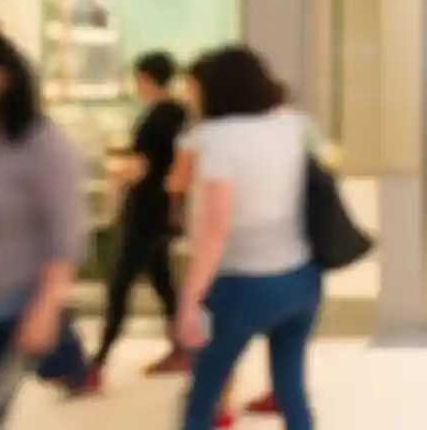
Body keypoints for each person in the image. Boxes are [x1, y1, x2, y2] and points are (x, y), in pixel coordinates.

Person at [178, 47, 321, 430]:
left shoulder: (216, 138)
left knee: (202, 398)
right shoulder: (293, 124)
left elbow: (214, 230)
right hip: (300, 278)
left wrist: (190, 301)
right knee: (291, 390)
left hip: (242, 284)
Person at [0, 25, 85, 427]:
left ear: (2, 74)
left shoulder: (40, 145)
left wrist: (45, 309)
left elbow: (65, 237)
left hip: (9, 314)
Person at [90, 52, 191, 384]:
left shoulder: (153, 120)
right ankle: (182, 348)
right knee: (162, 281)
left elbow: (140, 167)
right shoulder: (180, 114)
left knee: (121, 283)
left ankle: (99, 359)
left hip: (145, 211)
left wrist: (115, 171)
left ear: (146, 79)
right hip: (165, 209)